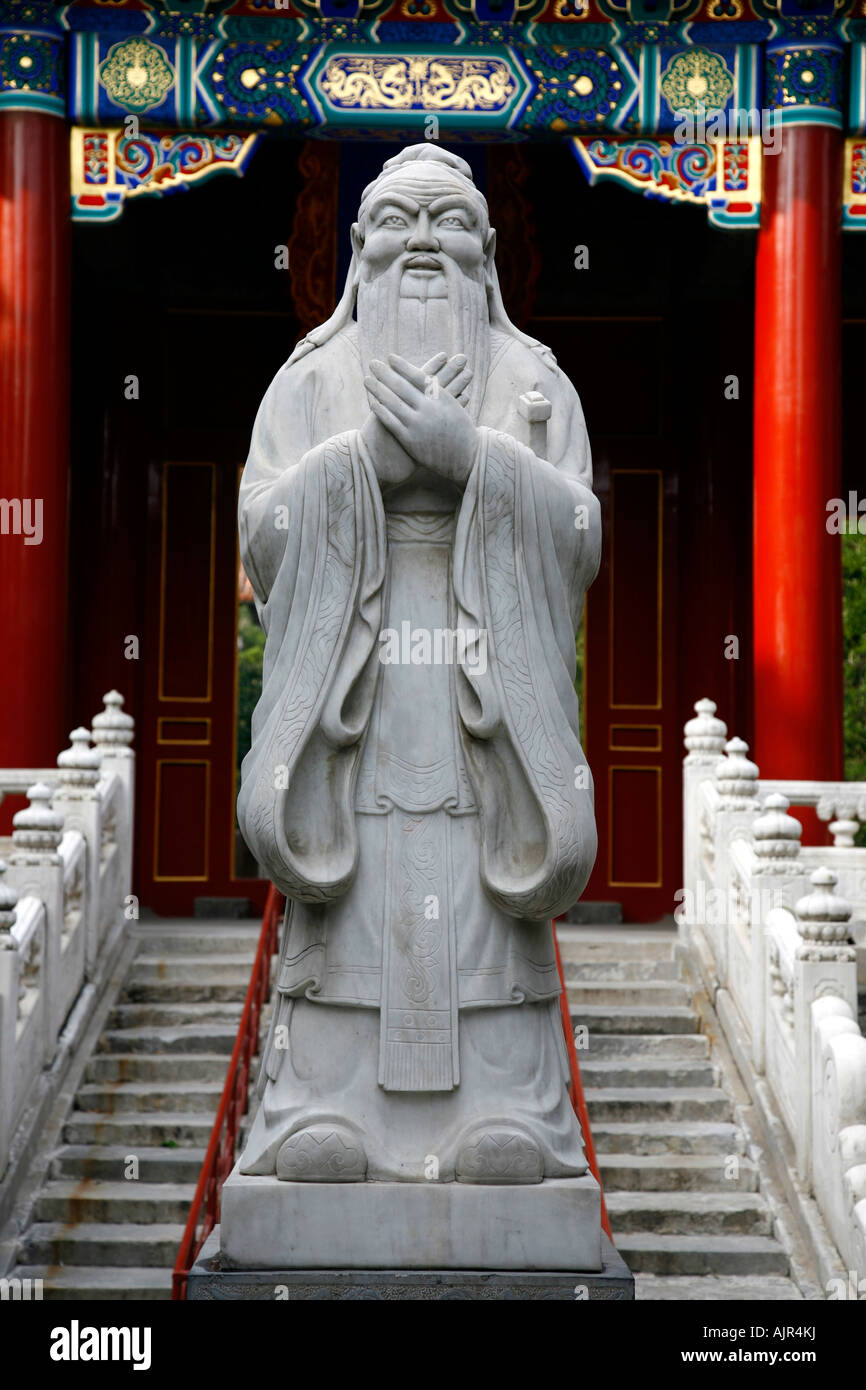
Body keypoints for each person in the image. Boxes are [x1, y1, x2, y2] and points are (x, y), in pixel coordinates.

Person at [236, 144, 601, 1185]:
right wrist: (361, 467)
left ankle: (511, 1112)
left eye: (449, 222)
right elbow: (262, 531)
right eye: (397, 222)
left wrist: (471, 457)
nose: (424, 243)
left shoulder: (534, 381)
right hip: (350, 700)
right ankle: (321, 1105)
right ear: (358, 250)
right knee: (350, 892)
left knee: (484, 902)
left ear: (487, 254)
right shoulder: (309, 378)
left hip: (486, 701)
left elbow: (576, 532)